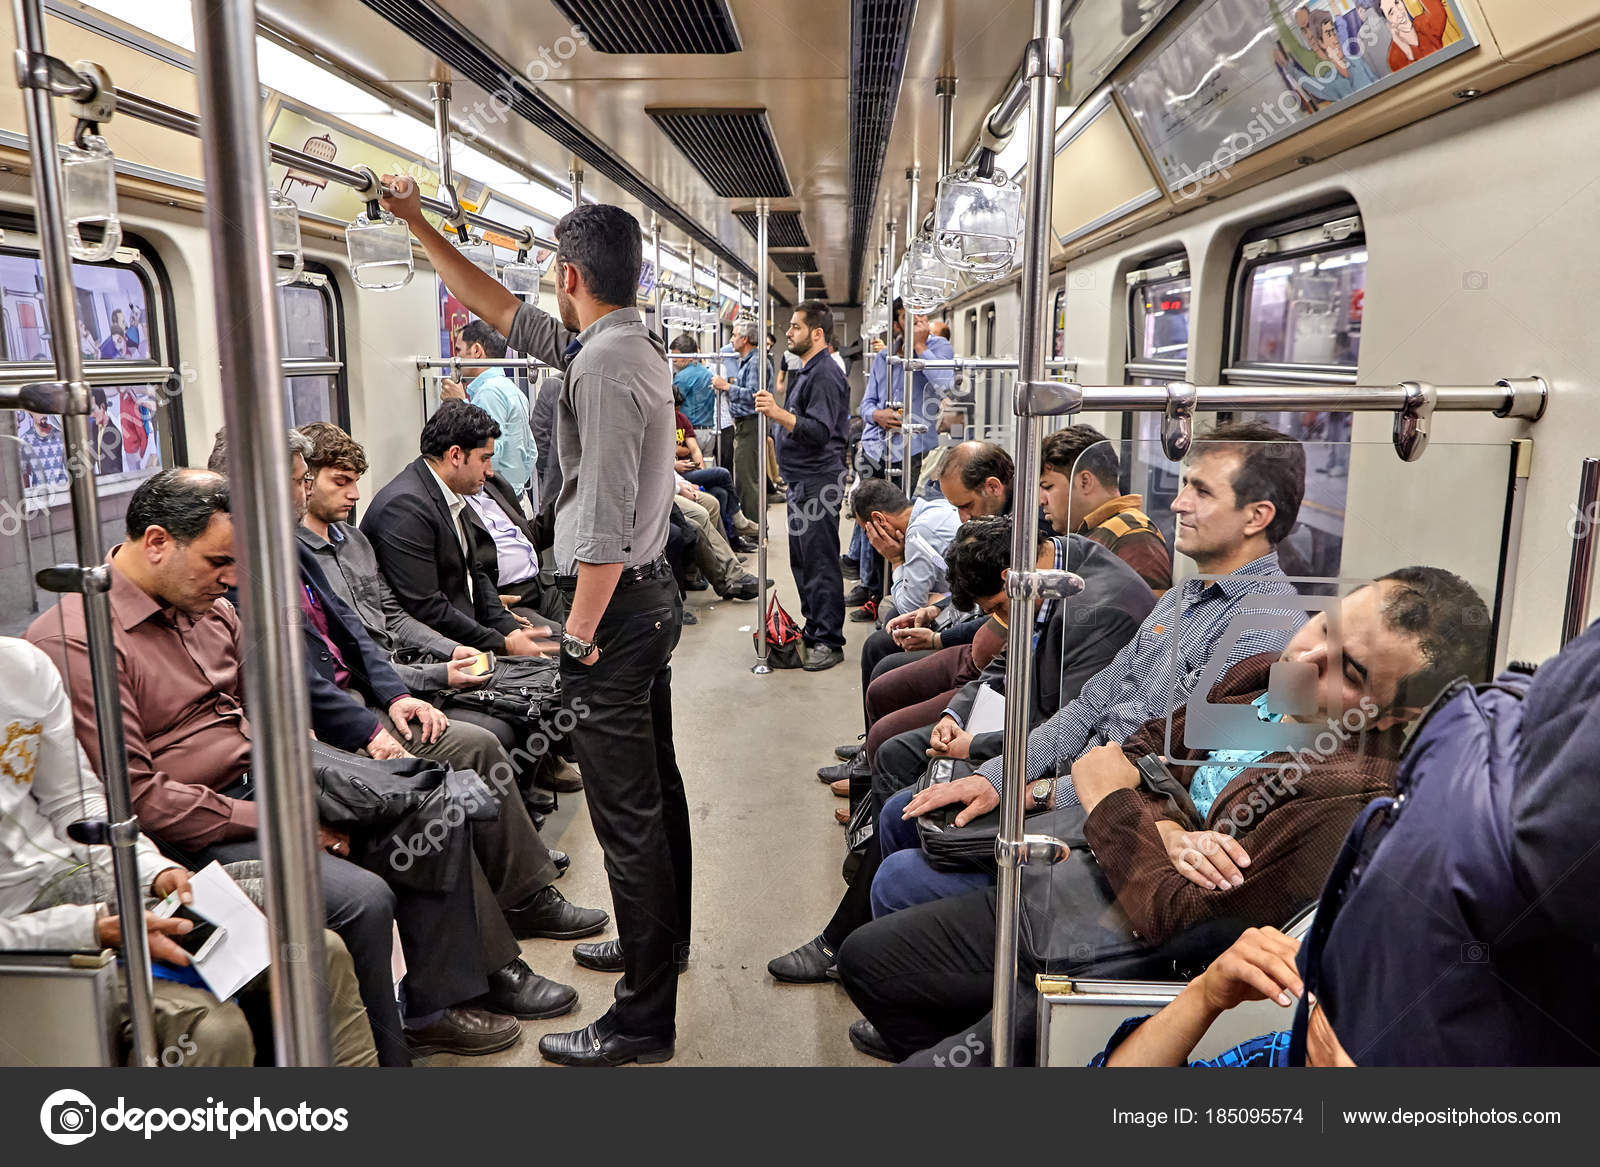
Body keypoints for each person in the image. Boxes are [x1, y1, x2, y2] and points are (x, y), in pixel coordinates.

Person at [23, 469, 565, 1064]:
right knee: (362, 898)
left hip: (264, 779)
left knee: (432, 807)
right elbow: (141, 799)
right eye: (218, 562)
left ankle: (436, 1006)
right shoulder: (79, 642)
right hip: (191, 824)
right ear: (157, 542)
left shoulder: (210, 611)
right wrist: (281, 821)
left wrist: (318, 781)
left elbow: (264, 709)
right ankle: (383, 1057)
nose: (232, 579)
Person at [841, 566, 1489, 1063]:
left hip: (1123, 947)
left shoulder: (1346, 799)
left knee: (882, 950)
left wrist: (1117, 796)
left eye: (1349, 671)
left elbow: (1178, 915)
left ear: (1398, 712)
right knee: (873, 944)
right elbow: (1146, 746)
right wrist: (1171, 828)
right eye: (1324, 626)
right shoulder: (1268, 678)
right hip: (1096, 867)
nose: (1305, 658)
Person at [768, 422, 1308, 982]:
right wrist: (998, 777)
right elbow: (1092, 703)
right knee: (907, 812)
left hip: (1119, 823)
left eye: (1201, 490)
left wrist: (1038, 792)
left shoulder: (1267, 632)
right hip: (1084, 784)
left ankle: (892, 977)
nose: (1178, 502)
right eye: (1185, 484)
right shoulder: (1185, 598)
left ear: (1256, 516)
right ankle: (866, 958)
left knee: (902, 876)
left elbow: (1177, 779)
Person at [380, 173, 690, 1067]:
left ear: (569, 275)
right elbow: (497, 307)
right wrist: (418, 223)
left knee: (627, 816)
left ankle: (643, 1019)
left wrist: (578, 639)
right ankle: (658, 946)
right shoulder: (623, 340)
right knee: (657, 791)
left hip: (616, 610)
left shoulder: (603, 366)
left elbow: (602, 524)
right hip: (645, 602)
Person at [0, 638, 378, 1067]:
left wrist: (152, 872)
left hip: (88, 881)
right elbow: (147, 793)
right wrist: (86, 929)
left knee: (317, 954)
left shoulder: (21, 666)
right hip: (31, 933)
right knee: (212, 1030)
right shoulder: (79, 642)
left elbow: (74, 803)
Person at [294, 421, 580, 802]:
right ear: (307, 482)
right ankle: (512, 807)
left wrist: (454, 651)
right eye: (341, 482)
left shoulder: (356, 542)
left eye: (356, 482)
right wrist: (443, 669)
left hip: (409, 659)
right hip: (382, 684)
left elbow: (396, 616)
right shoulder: (309, 555)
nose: (355, 495)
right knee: (496, 730)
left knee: (545, 672)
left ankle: (529, 787)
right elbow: (360, 659)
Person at [361, 400, 560, 657]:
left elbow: (477, 574)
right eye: (484, 459)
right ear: (455, 455)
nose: (489, 471)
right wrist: (503, 643)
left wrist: (511, 631)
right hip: (434, 650)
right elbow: (427, 608)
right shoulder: (405, 507)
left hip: (469, 628)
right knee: (565, 662)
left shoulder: (449, 494)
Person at [848, 300, 955, 607]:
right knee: (869, 519)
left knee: (900, 524)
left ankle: (900, 589)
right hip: (876, 446)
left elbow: (946, 386)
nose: (920, 319)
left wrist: (920, 347)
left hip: (914, 449)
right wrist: (877, 415)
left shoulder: (939, 348)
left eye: (923, 313)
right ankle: (869, 585)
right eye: (911, 315)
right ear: (896, 324)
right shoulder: (885, 357)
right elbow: (866, 404)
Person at [1039, 424, 1173, 593]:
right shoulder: (1091, 533)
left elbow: (1144, 609)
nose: (1041, 500)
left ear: (1085, 481)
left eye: (1048, 487)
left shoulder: (1133, 536)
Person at [440, 319, 537, 507]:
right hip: (515, 499)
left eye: (458, 351)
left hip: (496, 503)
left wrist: (460, 404)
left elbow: (486, 453)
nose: (455, 359)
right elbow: (531, 453)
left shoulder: (489, 393)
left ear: (477, 351)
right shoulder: (510, 389)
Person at [848, 478, 959, 622]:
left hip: (969, 608)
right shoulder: (935, 505)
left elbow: (909, 609)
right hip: (965, 595)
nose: (871, 540)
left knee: (891, 616)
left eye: (867, 531)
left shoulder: (918, 534)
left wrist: (896, 560)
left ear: (879, 520)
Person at [710, 320, 771, 526]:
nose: (732, 339)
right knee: (747, 477)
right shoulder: (748, 360)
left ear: (745, 339)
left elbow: (754, 395)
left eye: (734, 335)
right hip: (747, 423)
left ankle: (755, 528)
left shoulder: (755, 362)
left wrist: (726, 387)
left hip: (751, 423)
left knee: (746, 480)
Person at [669, 333, 716, 432]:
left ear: (690, 356)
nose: (673, 359)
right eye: (672, 355)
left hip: (691, 432)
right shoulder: (707, 373)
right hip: (709, 431)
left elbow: (672, 404)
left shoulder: (683, 376)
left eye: (677, 355)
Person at [89, 387, 124, 477]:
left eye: (92, 410)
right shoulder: (94, 427)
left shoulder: (112, 435)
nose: (90, 415)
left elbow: (109, 473)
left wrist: (89, 479)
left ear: (103, 407)